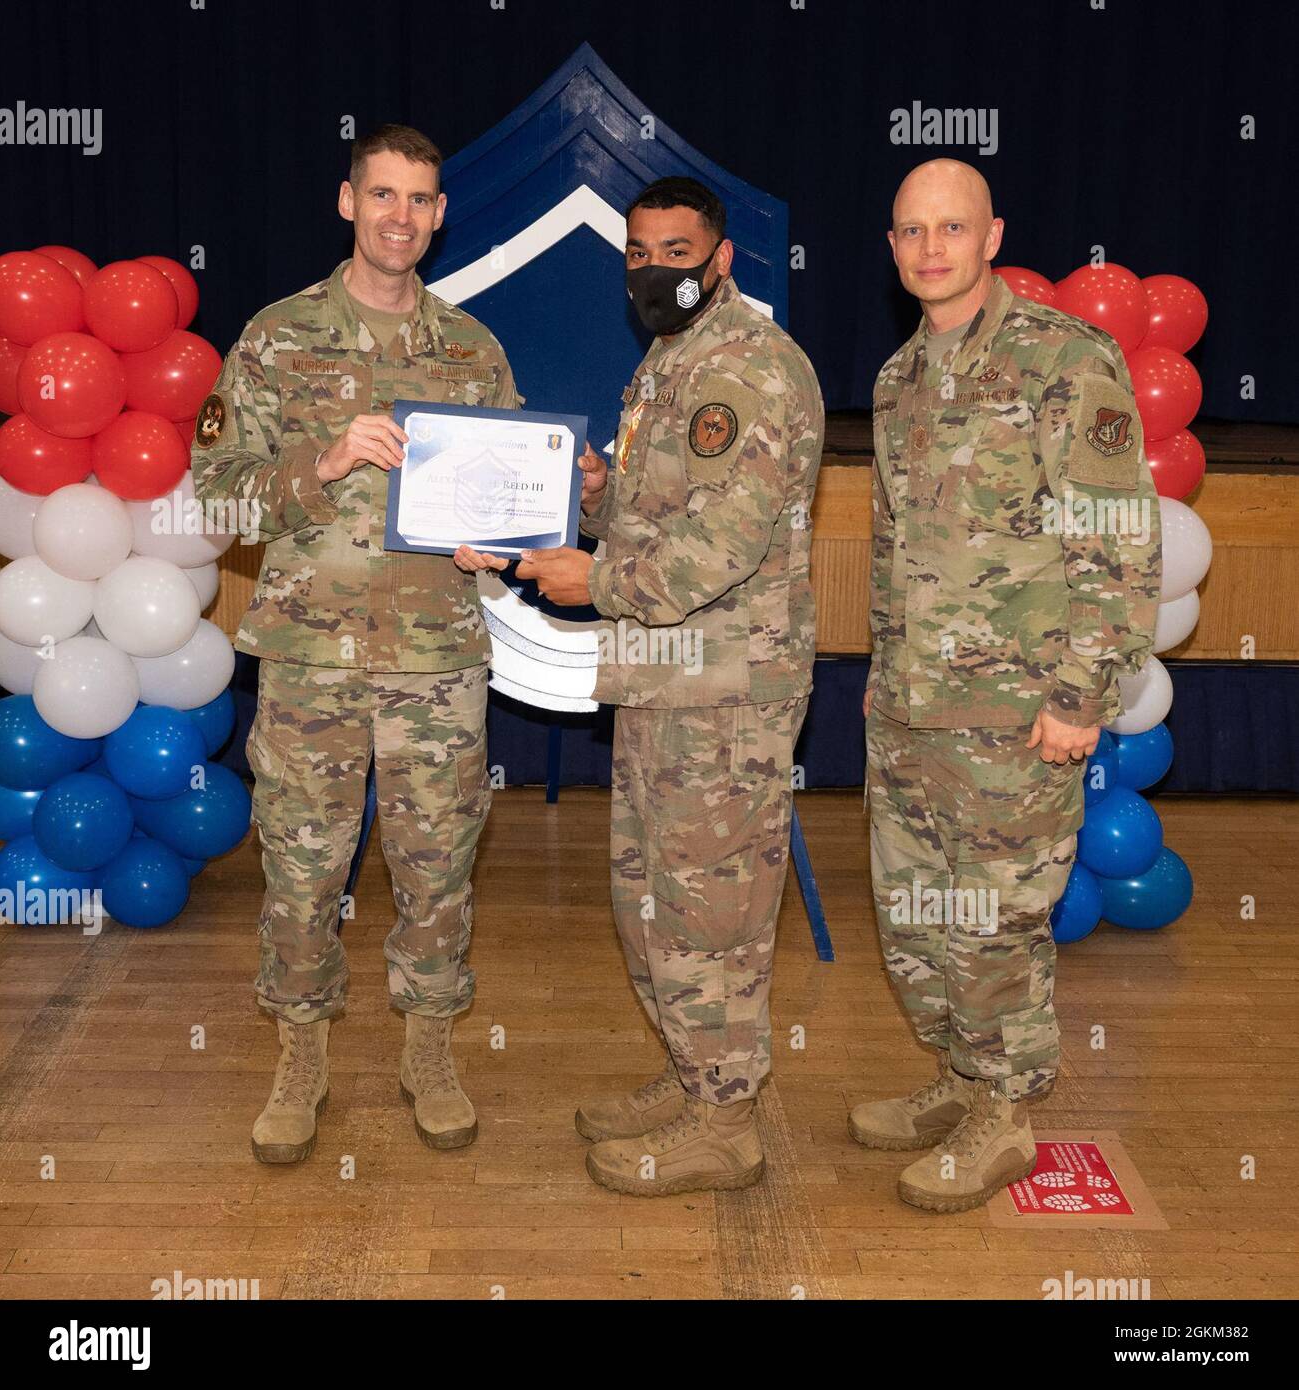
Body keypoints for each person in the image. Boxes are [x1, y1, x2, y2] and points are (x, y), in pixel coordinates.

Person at [458, 176, 824, 1195]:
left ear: (721, 261)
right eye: (637, 253)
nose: (653, 270)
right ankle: (692, 1070)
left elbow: (722, 542)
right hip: (665, 677)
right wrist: (598, 498)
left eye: (675, 251)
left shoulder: (749, 367)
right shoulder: (670, 361)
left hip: (724, 690)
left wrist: (595, 575)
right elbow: (665, 512)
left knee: (715, 905)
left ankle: (725, 1121)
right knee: (652, 893)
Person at [192, 124, 522, 1163]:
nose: (399, 217)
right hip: (310, 662)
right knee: (300, 869)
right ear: (348, 203)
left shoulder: (471, 348)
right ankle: (300, 1054)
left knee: (437, 868)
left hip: (436, 665)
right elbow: (214, 499)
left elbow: (513, 492)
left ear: (438, 214)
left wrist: (506, 540)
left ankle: (428, 1048)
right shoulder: (275, 337)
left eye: (418, 200)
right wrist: (322, 460)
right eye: (381, 195)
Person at [852, 158, 1161, 1211]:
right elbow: (893, 551)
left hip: (1016, 720)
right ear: (893, 250)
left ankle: (1003, 1115)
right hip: (910, 714)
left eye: (951, 227)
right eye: (909, 231)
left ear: (991, 237)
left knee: (991, 925)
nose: (929, 247)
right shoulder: (898, 380)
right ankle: (956, 1072)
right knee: (915, 915)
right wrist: (881, 680)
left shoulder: (1062, 359)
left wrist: (1080, 698)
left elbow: (1117, 543)